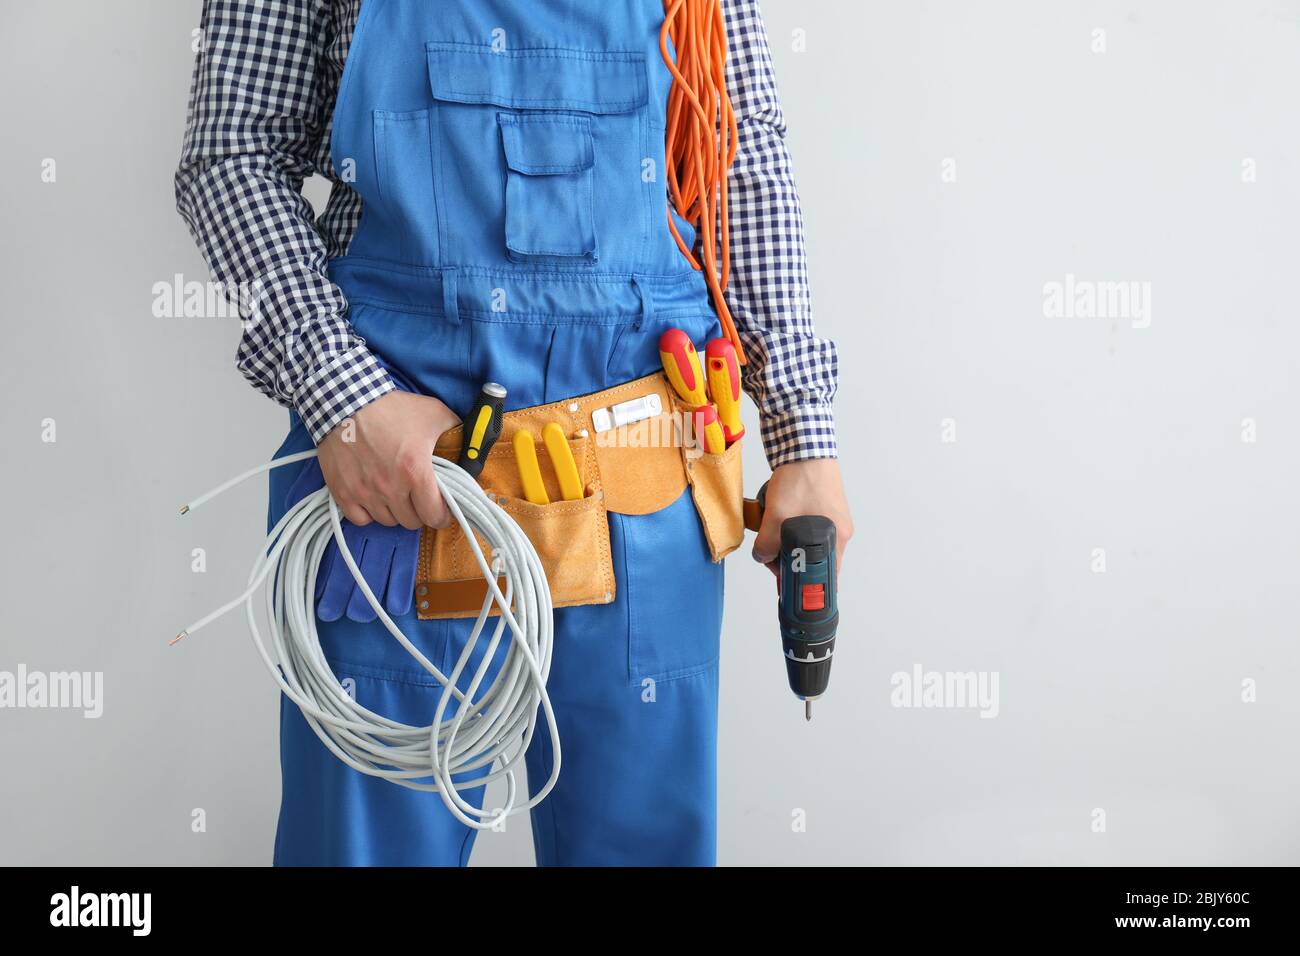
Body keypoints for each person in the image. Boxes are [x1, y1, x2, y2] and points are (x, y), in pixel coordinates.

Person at [176, 0, 852, 866]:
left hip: (648, 478)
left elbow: (736, 154)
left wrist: (803, 436)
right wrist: (344, 395)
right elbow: (230, 154)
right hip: (400, 483)